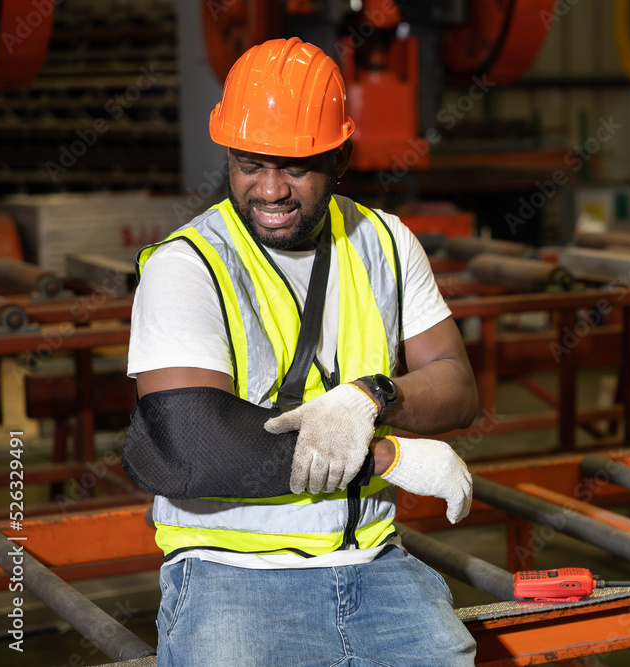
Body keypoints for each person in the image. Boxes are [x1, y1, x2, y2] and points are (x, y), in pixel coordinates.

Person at [124, 37, 478, 666]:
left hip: (374, 563)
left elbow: (455, 384)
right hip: (229, 575)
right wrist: (384, 455)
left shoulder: (386, 242)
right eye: (249, 164)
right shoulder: (189, 265)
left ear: (340, 155)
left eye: (295, 167)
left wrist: (371, 396)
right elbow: (191, 449)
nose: (270, 190)